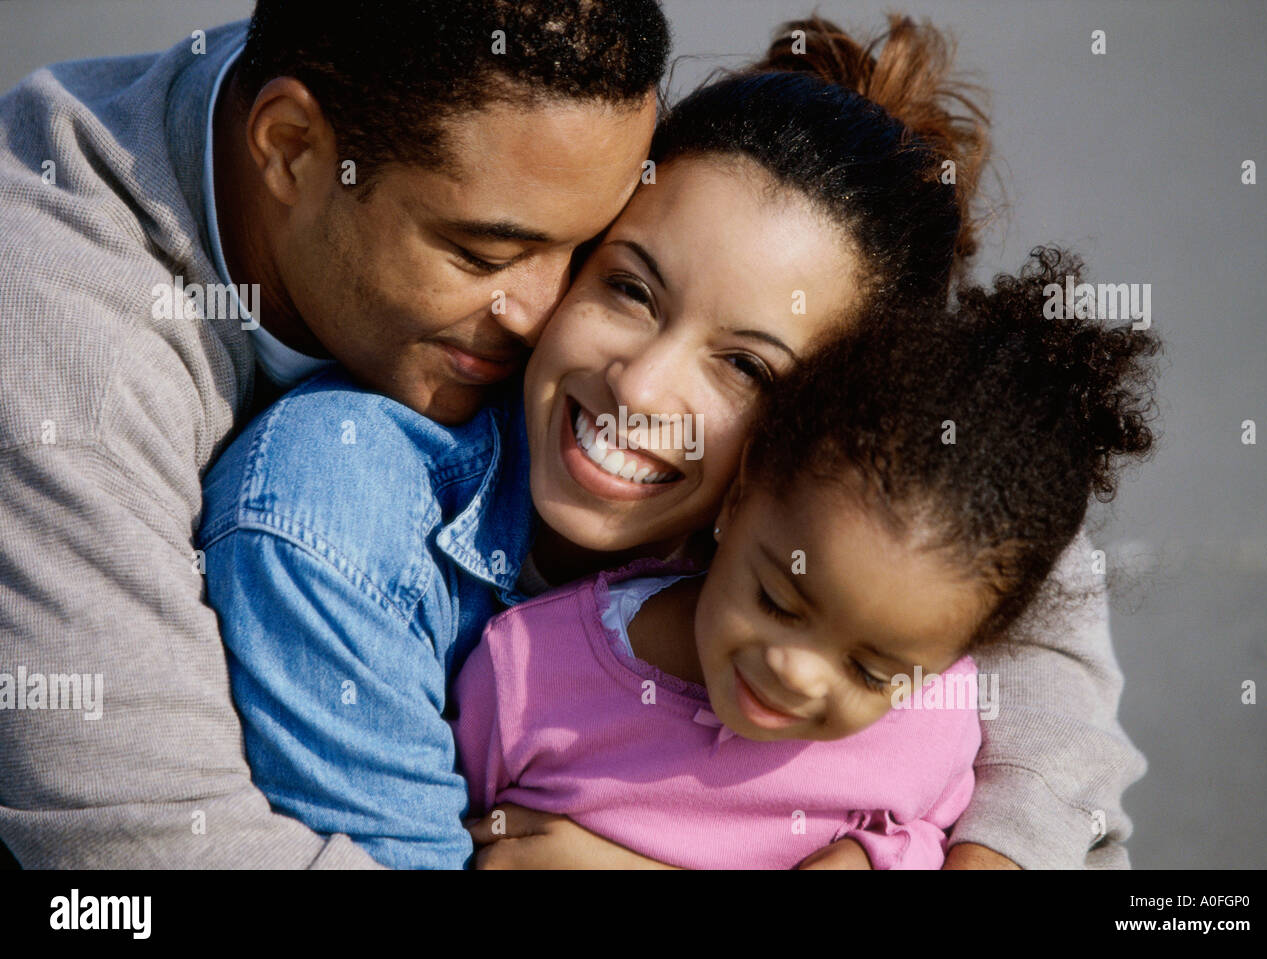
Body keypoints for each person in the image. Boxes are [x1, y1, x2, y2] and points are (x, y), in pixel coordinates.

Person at [202, 16, 1146, 870]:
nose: (642, 385)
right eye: (630, 289)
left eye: (746, 367)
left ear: (837, 420)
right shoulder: (339, 501)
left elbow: (1035, 586)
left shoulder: (859, 548)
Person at [0, 0, 670, 869]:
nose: (547, 318)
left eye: (591, 254)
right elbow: (149, 854)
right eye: (483, 255)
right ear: (288, 147)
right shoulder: (70, 382)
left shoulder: (383, 90)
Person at [450, 247, 1160, 870]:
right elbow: (440, 831)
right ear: (740, 496)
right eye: (778, 602)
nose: (795, 670)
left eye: (869, 669)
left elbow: (924, 835)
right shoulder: (525, 675)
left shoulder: (935, 720)